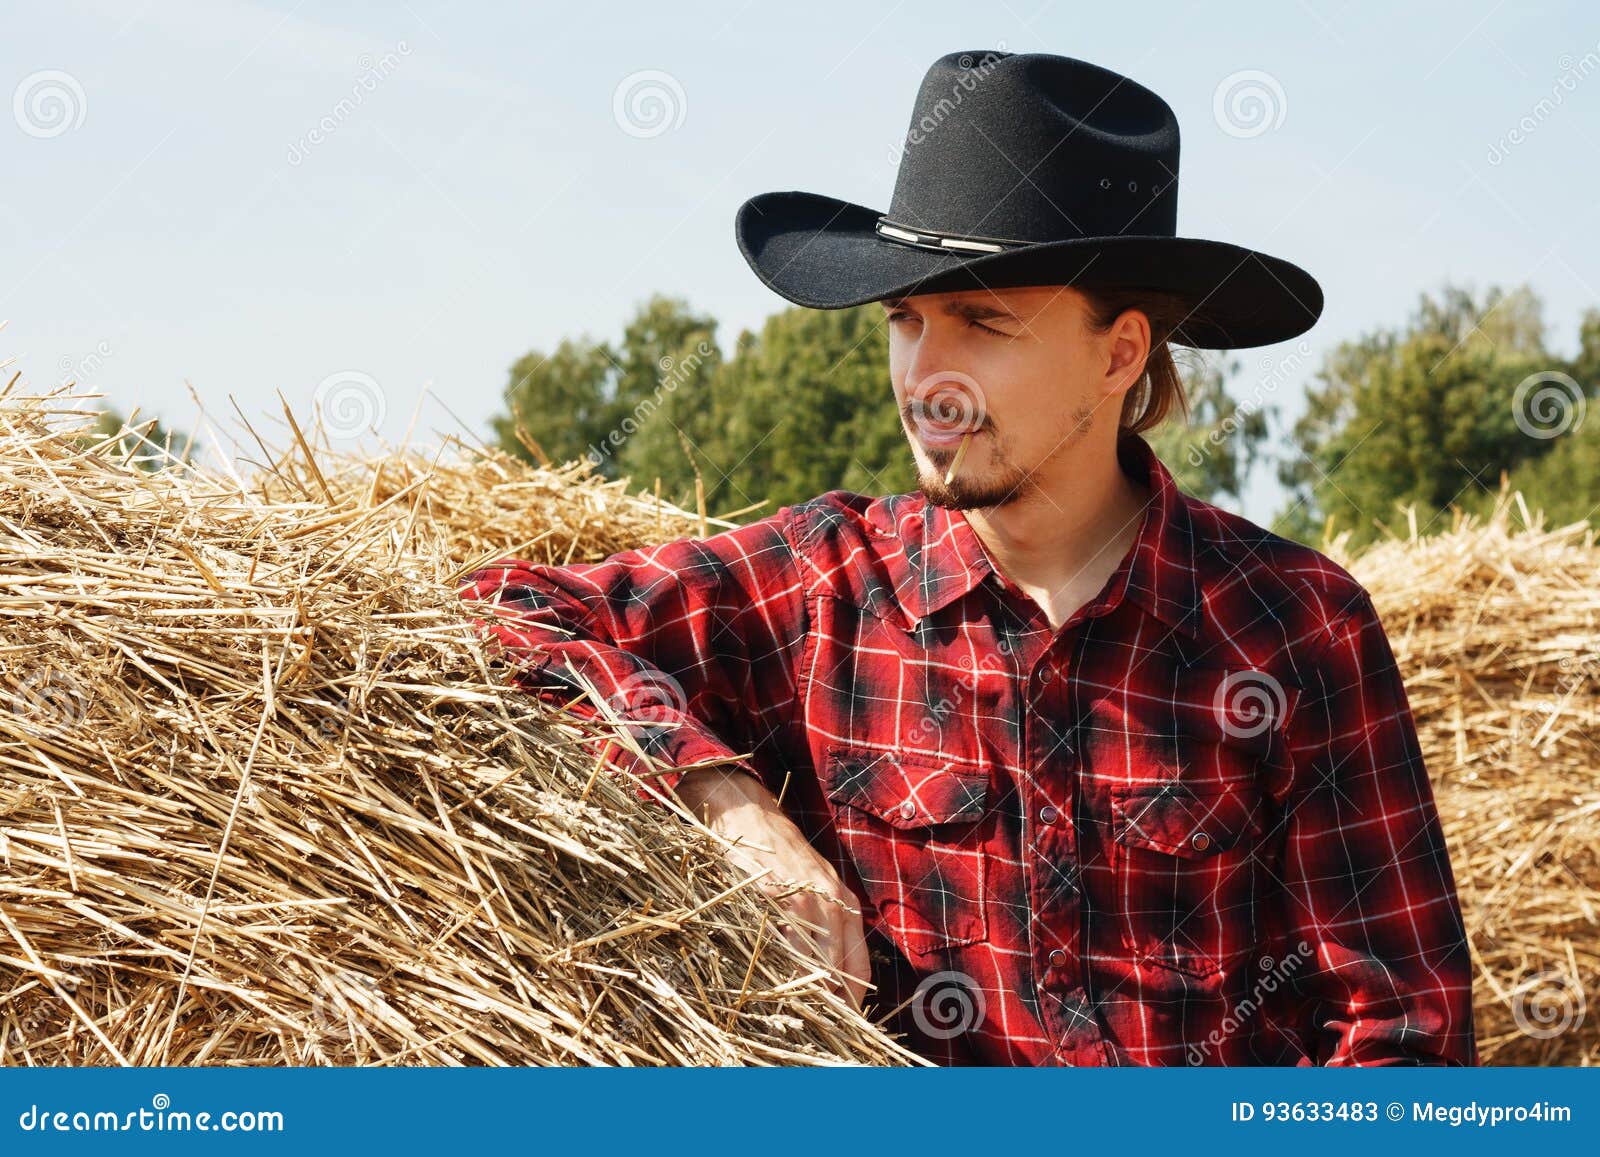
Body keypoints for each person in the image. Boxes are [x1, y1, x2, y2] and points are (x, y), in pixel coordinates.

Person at [460, 50, 1476, 1066]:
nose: (925, 378)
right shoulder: (825, 585)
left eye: (983, 322)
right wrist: (728, 803)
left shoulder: (1294, 626)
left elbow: (1401, 1028)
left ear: (1119, 352)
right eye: (906, 321)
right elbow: (501, 612)